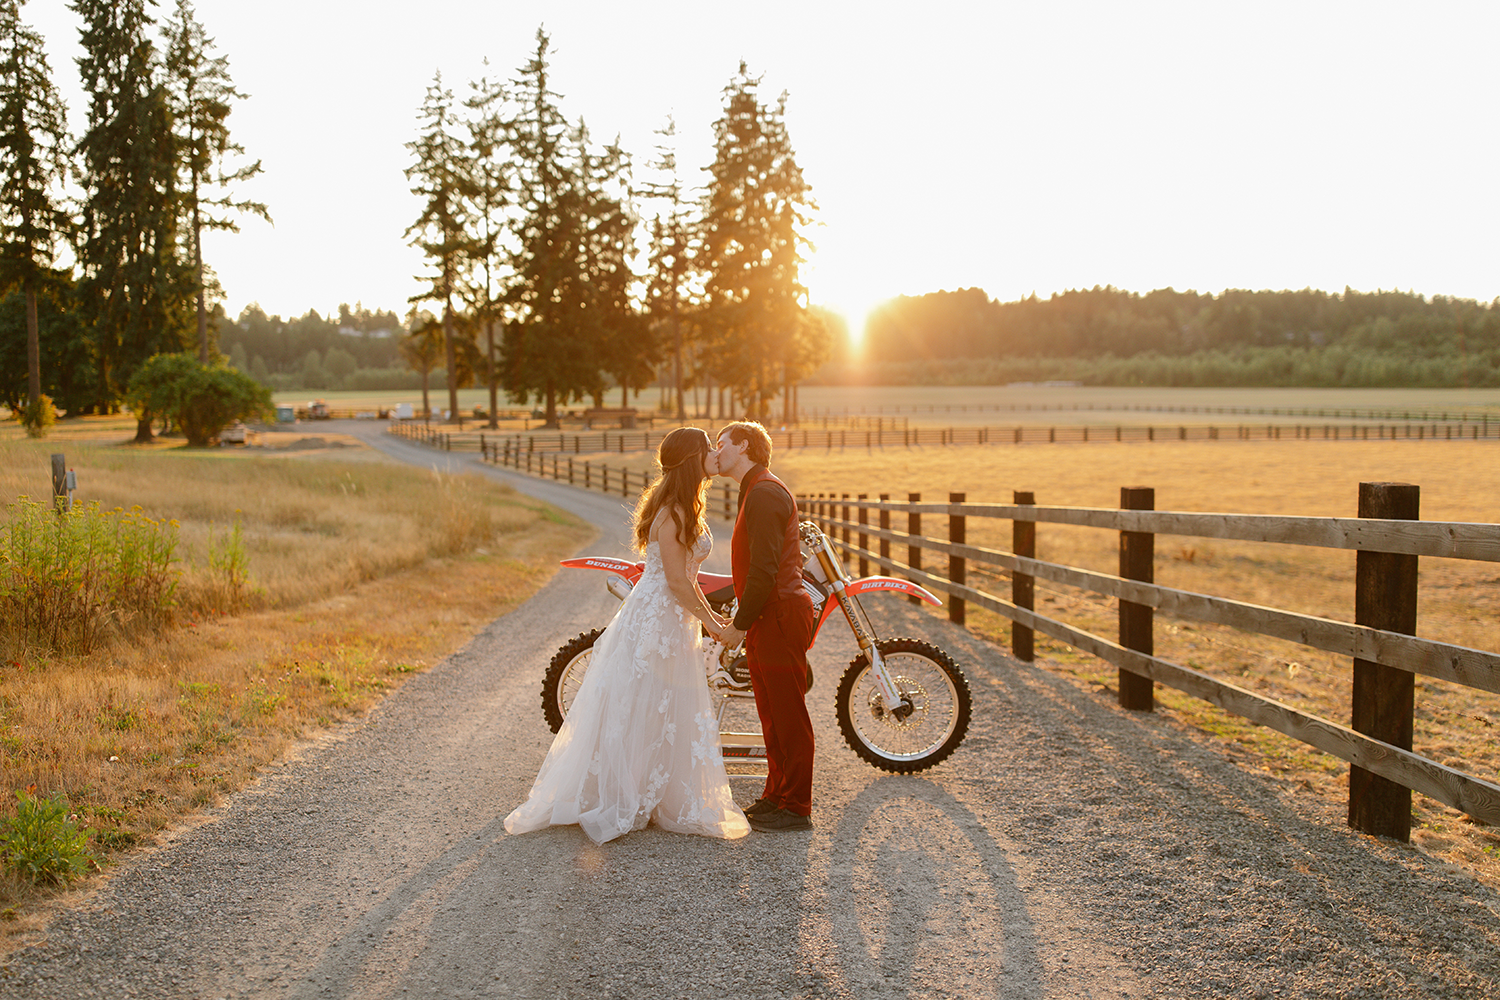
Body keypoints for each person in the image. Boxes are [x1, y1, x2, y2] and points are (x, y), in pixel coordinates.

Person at [504, 428, 750, 844]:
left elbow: (683, 579)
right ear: (692, 459)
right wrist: (712, 622)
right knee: (644, 700)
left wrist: (706, 619)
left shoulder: (685, 506)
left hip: (672, 615)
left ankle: (654, 790)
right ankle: (626, 795)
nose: (714, 452)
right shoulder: (672, 511)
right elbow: (676, 580)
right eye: (707, 447)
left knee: (660, 704)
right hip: (658, 616)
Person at [711, 421, 816, 833]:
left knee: (789, 713)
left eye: (721, 443)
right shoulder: (754, 490)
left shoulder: (767, 493)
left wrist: (740, 624)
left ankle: (797, 806)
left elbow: (765, 569)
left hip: (778, 613)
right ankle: (777, 795)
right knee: (771, 712)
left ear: (744, 445)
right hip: (768, 615)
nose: (716, 451)